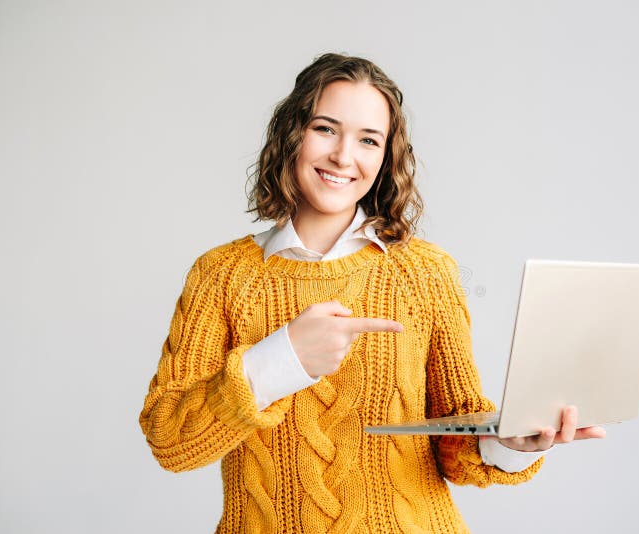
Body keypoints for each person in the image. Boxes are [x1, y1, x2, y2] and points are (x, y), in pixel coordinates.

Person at [139, 52, 605, 533]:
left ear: (386, 157)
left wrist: (510, 444)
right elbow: (170, 439)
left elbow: (458, 440)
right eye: (325, 129)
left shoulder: (425, 272)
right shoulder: (222, 274)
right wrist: (281, 360)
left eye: (368, 139)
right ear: (291, 135)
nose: (344, 156)